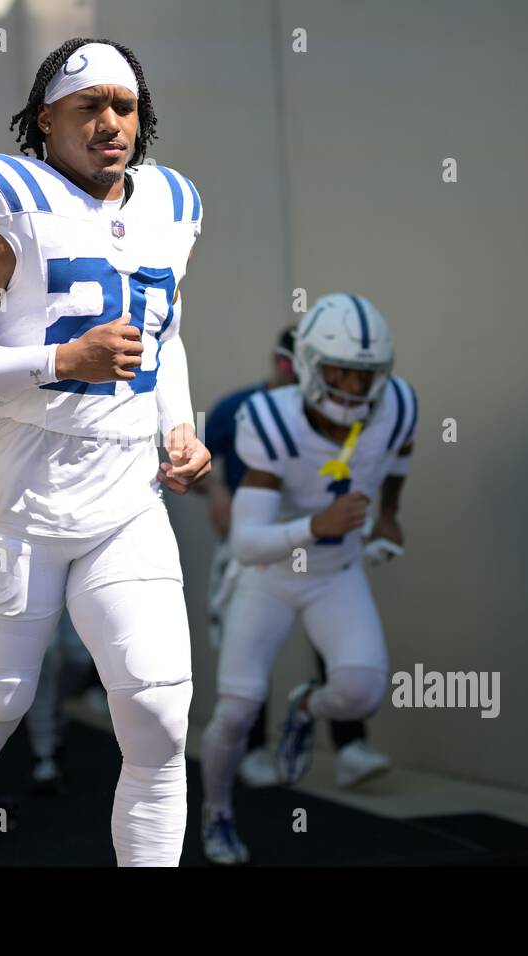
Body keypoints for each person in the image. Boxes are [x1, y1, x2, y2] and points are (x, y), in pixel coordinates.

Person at [0, 37, 210, 866]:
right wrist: (54, 361)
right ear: (46, 120)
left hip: (127, 493)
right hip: (24, 494)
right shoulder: (6, 195)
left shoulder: (172, 203)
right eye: (88, 106)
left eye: (124, 104)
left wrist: (180, 429)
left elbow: (165, 335)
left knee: (158, 713)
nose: (111, 122)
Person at [198, 293, 418, 864]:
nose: (353, 386)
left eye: (365, 374)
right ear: (310, 365)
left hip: (337, 573)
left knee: (362, 690)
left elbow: (399, 454)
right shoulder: (270, 417)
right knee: (237, 709)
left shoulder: (397, 406)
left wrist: (390, 513)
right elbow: (246, 542)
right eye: (341, 371)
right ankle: (217, 813)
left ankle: (304, 711)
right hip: (269, 573)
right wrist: (315, 525)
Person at [201, 327, 390, 791]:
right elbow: (187, 456)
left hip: (325, 544)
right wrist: (217, 489)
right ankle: (254, 750)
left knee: (340, 647)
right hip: (263, 543)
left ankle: (348, 746)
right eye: (284, 364)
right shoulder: (243, 407)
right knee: (249, 653)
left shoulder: (347, 413)